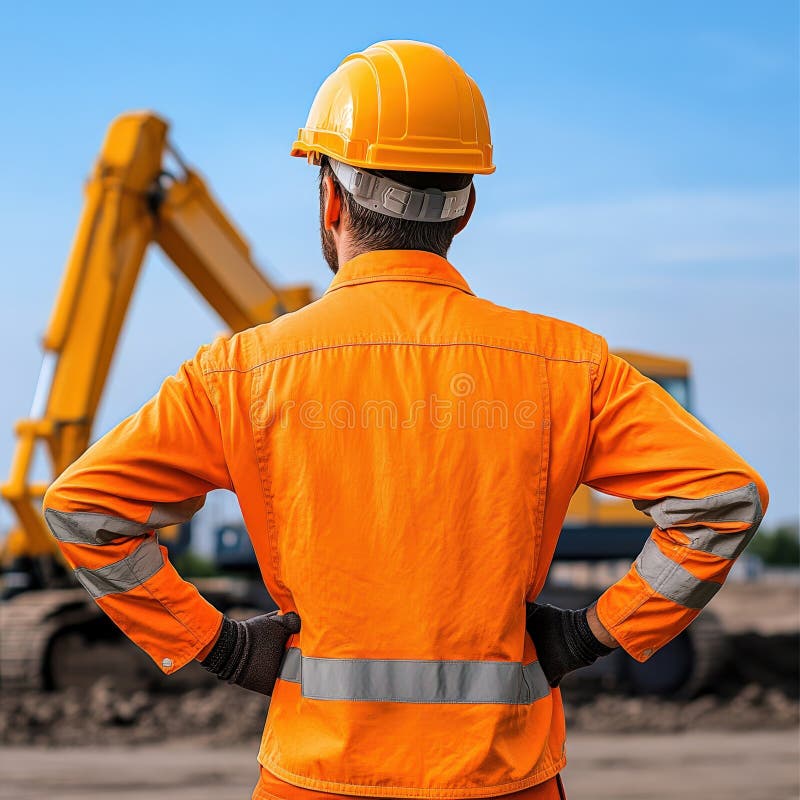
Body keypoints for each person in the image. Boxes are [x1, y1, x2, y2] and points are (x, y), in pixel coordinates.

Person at [44, 40, 768, 800]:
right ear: (467, 207)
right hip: (506, 779)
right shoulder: (568, 366)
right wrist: (594, 633)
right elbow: (722, 501)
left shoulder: (239, 372)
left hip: (314, 778)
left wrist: (219, 647)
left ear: (331, 200)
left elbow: (85, 509)